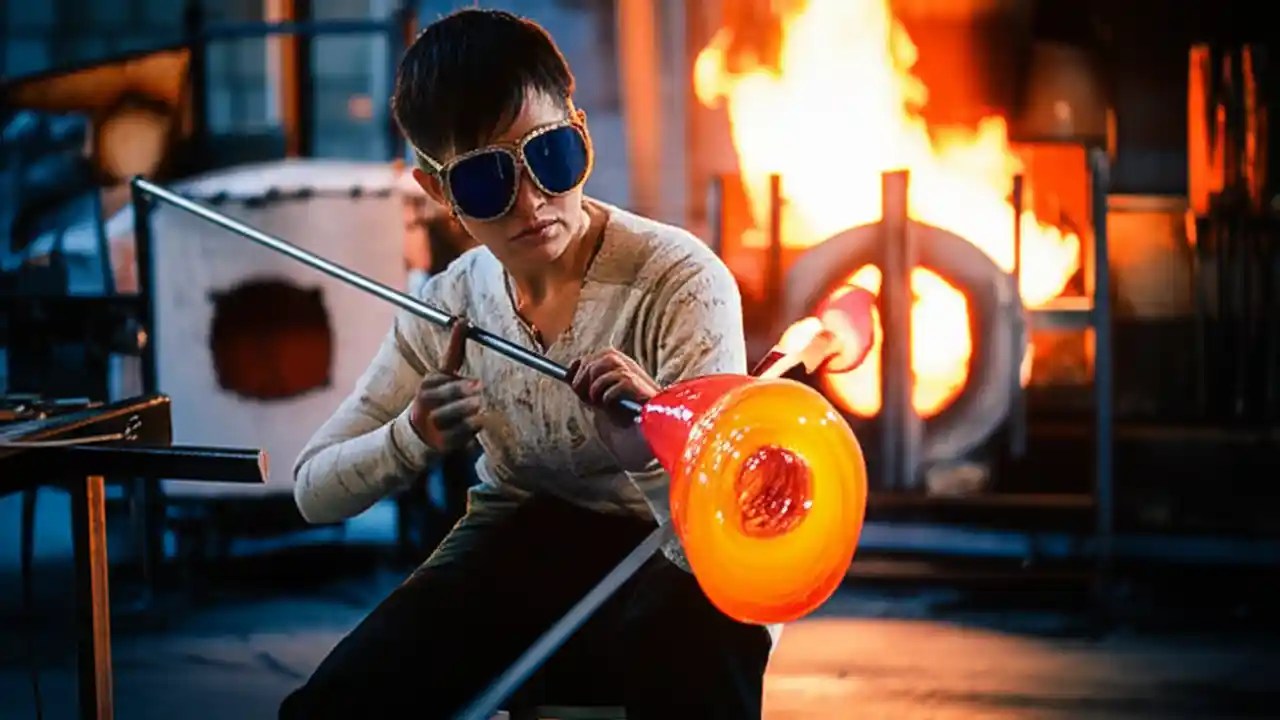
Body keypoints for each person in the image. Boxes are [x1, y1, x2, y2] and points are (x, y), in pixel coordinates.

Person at [278, 8, 773, 720]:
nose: (533, 202)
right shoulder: (451, 305)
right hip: (521, 541)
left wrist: (651, 449)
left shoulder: (680, 281)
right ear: (438, 192)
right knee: (332, 707)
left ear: (581, 133)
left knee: (691, 641)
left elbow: (726, 535)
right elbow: (312, 492)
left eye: (551, 155)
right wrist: (412, 437)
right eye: (487, 181)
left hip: (674, 550)